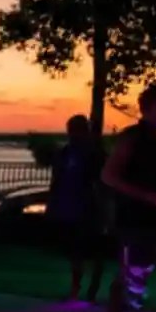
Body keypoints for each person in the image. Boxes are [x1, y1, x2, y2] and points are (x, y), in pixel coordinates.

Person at [102, 84, 156, 312]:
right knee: (131, 264)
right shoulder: (132, 138)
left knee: (147, 260)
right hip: (133, 215)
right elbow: (108, 175)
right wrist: (151, 197)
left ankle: (126, 303)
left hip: (154, 216)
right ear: (149, 108)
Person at [49, 115, 107, 302]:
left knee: (93, 251)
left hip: (89, 208)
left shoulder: (95, 154)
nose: (72, 134)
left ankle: (91, 289)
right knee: (76, 252)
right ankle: (77, 288)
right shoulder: (65, 153)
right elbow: (56, 181)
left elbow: (102, 182)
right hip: (70, 208)